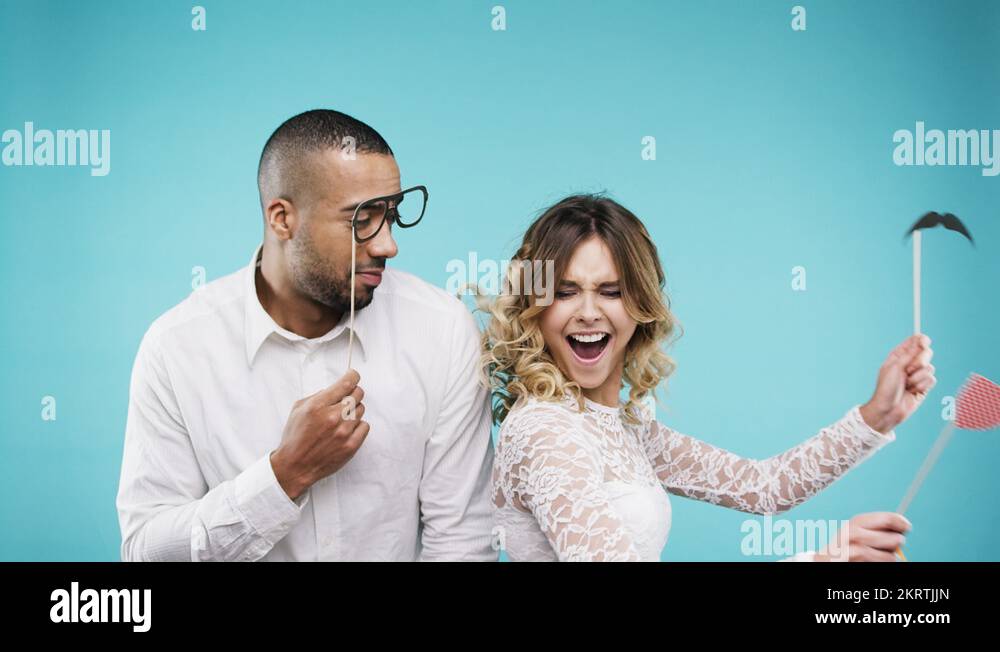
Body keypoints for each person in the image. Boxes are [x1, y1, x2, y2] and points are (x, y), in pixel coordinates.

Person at [117, 109, 496, 561]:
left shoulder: (442, 329)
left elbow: (462, 544)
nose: (387, 244)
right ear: (282, 218)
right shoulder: (177, 348)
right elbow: (146, 551)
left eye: (391, 215)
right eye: (362, 219)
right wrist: (283, 476)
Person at [482, 194, 935, 561]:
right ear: (536, 310)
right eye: (565, 292)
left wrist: (877, 415)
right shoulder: (546, 431)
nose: (587, 312)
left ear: (640, 307)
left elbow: (763, 487)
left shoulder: (623, 426)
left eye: (611, 291)